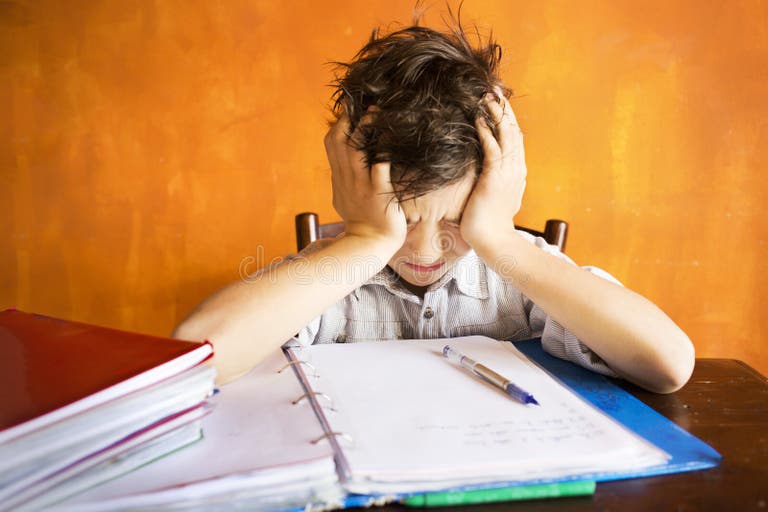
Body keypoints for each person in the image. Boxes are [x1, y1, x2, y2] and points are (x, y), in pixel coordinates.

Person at [173, 21, 694, 393]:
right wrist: (364, 243)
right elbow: (192, 358)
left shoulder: (517, 274)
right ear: (354, 193)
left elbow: (668, 366)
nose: (425, 249)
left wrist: (501, 240)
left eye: (455, 220)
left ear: (496, 197)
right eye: (398, 220)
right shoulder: (333, 275)